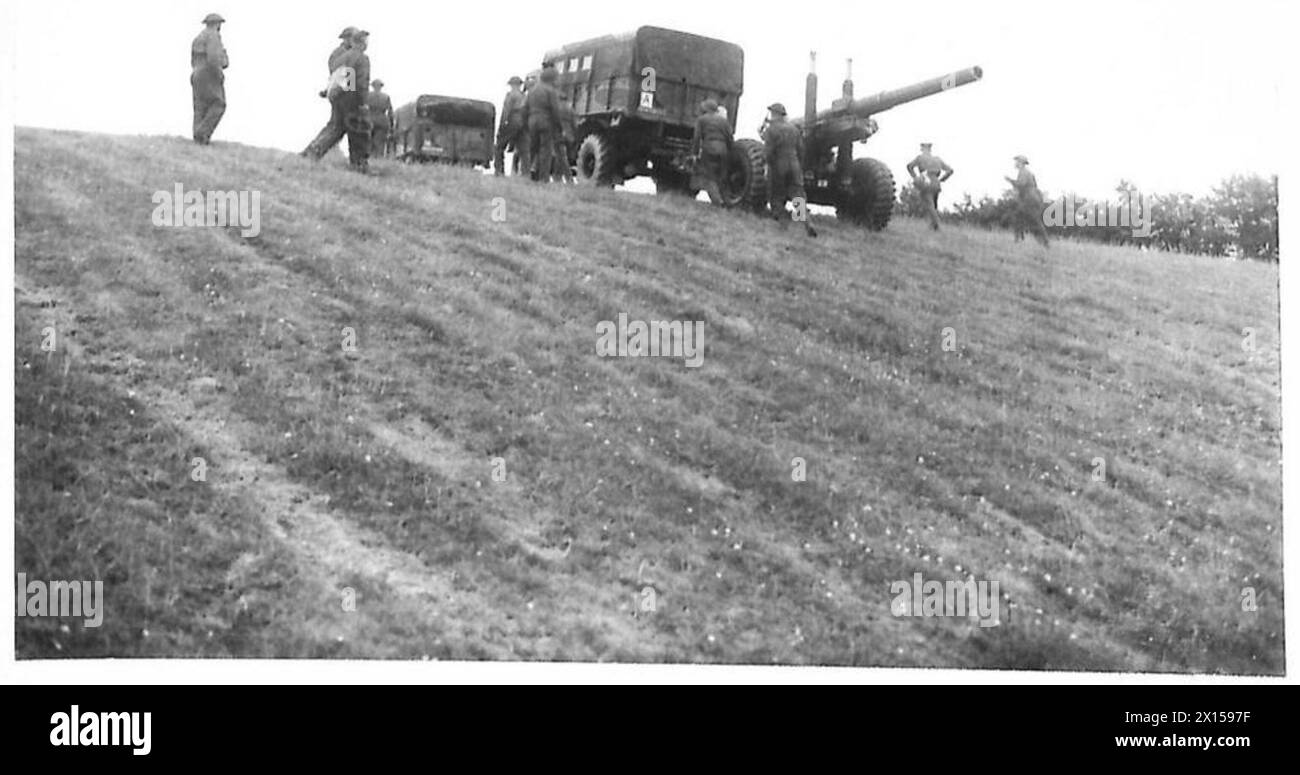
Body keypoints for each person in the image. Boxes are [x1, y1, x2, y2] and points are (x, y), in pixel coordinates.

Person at [302, 28, 372, 173]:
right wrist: (363, 102)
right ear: (361, 42)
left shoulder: (340, 57)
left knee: (336, 127)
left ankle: (312, 152)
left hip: (339, 95)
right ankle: (359, 164)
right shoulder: (362, 58)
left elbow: (337, 76)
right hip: (352, 97)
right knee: (358, 130)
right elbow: (361, 82)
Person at [761, 102, 816, 237]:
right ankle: (808, 223)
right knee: (798, 196)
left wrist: (765, 163)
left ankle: (783, 226)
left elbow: (768, 151)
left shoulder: (771, 129)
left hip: (779, 165)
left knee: (777, 196)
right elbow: (801, 150)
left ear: (774, 114)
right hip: (795, 165)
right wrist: (799, 165)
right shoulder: (794, 129)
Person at [190, 13, 229, 145]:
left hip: (196, 74)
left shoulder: (198, 38)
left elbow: (193, 60)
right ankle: (202, 134)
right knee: (218, 104)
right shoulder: (213, 36)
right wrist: (219, 73)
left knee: (201, 106)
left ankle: (198, 138)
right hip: (209, 73)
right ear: (217, 24)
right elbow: (213, 59)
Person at [524, 64, 562, 183]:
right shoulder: (551, 91)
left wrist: (526, 123)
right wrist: (559, 126)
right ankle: (543, 178)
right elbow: (555, 110)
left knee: (532, 149)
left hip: (532, 121)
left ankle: (526, 175)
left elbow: (525, 108)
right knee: (545, 151)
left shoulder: (532, 90)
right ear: (551, 79)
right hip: (545, 122)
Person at [691, 98, 733, 205]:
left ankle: (717, 201)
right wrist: (730, 152)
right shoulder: (724, 121)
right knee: (722, 177)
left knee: (710, 177)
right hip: (723, 150)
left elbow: (697, 138)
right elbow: (730, 138)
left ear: (706, 108)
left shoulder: (701, 120)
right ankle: (728, 201)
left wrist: (695, 154)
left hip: (709, 149)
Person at [905, 142, 953, 230]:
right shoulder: (937, 159)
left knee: (929, 206)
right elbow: (950, 170)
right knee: (934, 206)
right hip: (936, 183)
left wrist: (915, 177)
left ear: (923, 149)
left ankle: (935, 226)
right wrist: (942, 179)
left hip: (925, 181)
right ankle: (933, 225)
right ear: (930, 150)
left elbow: (909, 166)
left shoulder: (920, 158)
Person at [1006, 155, 1050, 247]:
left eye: (1017, 161)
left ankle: (1043, 243)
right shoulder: (1028, 173)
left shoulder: (1023, 172)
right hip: (1032, 199)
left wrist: (1010, 181)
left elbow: (1021, 184)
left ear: (1021, 163)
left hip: (1030, 200)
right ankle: (1020, 239)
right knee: (1021, 218)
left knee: (1031, 220)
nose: (1015, 163)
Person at [494, 76, 528, 176]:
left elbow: (506, 111)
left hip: (512, 121)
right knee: (524, 150)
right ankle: (526, 174)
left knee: (499, 147)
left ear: (512, 85)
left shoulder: (510, 95)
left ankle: (499, 171)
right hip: (523, 123)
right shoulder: (524, 96)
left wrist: (501, 126)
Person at [366, 79, 394, 158]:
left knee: (368, 142)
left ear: (373, 86)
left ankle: (369, 159)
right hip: (382, 121)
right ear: (381, 87)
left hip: (369, 120)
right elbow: (390, 113)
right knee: (379, 144)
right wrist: (391, 127)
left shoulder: (368, 95)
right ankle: (378, 160)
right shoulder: (386, 97)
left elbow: (363, 108)